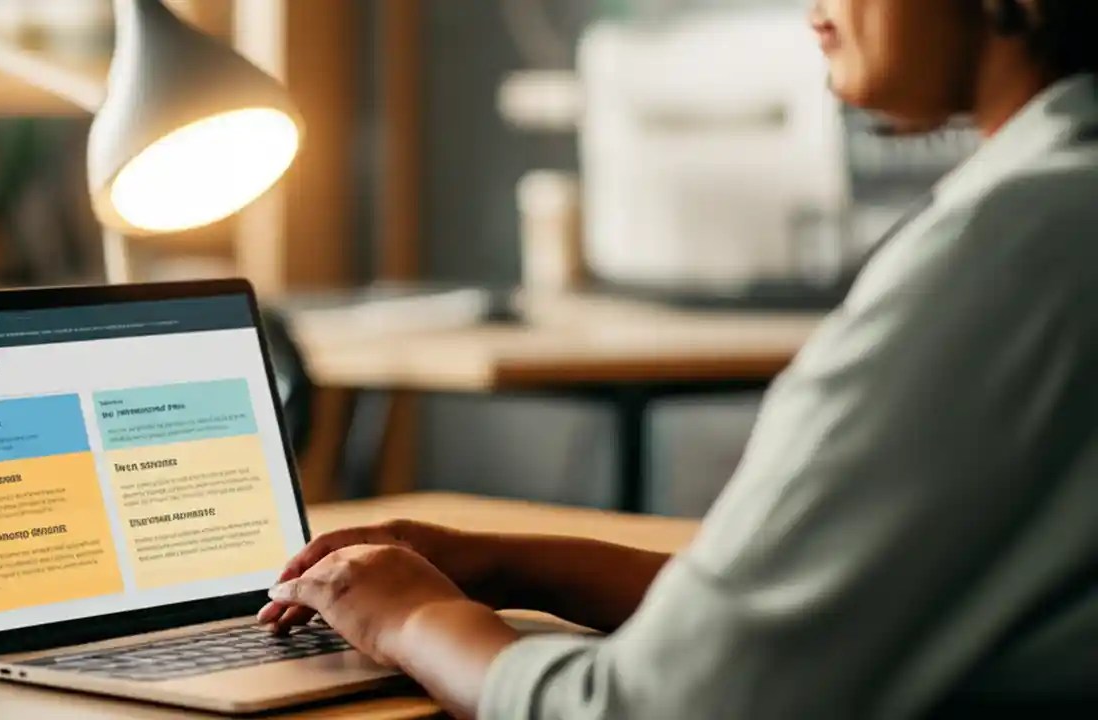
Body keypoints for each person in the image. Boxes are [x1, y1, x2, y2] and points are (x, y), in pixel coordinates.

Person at [259, 1, 1098, 717]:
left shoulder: (1010, 248)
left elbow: (661, 707)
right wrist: (510, 564)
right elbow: (826, 600)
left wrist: (408, 621)